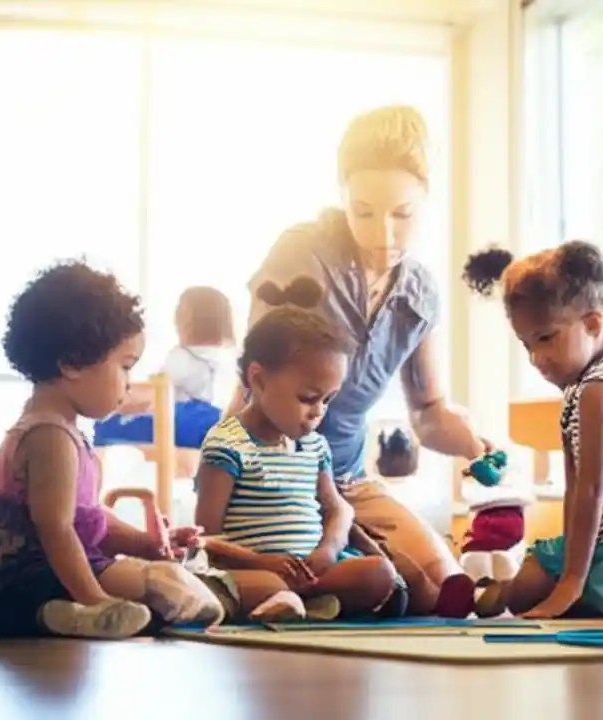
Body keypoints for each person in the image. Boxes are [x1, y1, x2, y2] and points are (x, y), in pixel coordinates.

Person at [231, 105, 491, 616]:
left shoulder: (419, 291)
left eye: (403, 213)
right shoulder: (300, 252)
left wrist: (475, 444)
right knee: (377, 581)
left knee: (445, 585)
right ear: (343, 197)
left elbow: (430, 413)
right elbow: (252, 377)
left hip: (346, 476)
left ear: (426, 200)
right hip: (271, 471)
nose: (383, 235)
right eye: (364, 211)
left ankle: (335, 585)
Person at [0, 261, 225, 639]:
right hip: (15, 580)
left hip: (20, 585)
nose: (129, 384)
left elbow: (87, 517)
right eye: (125, 367)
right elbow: (57, 530)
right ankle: (84, 611)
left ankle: (61, 615)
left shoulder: (62, 432)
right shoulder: (50, 437)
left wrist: (146, 544)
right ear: (72, 363)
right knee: (157, 581)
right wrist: (97, 597)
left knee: (152, 576)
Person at [461, 240, 603, 619]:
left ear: (593, 324)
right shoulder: (581, 388)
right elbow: (574, 485)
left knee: (578, 593)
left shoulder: (600, 388)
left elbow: (590, 489)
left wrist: (570, 582)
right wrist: (567, 567)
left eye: (546, 338)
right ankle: (504, 590)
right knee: (527, 589)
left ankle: (578, 590)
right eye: (526, 344)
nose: (536, 359)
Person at [194, 278, 400, 620]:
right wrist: (261, 562)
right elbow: (205, 541)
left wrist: (329, 549)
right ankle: (298, 602)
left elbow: (338, 510)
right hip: (256, 569)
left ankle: (305, 602)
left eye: (328, 399)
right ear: (259, 380)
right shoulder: (227, 445)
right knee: (263, 586)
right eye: (307, 398)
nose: (318, 411)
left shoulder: (314, 446)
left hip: (312, 571)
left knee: (379, 573)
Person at [93, 285, 237, 451]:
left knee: (104, 426)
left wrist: (109, 402)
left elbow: (152, 395)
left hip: (191, 425)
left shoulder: (184, 356)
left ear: (189, 320)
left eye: (181, 311)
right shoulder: (232, 356)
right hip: (225, 425)